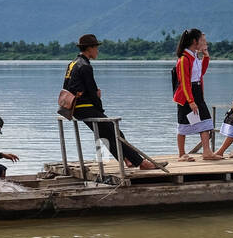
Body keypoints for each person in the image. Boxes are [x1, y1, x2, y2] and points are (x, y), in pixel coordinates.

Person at [62, 34, 163, 171]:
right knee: (116, 132)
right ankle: (142, 163)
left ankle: (127, 159)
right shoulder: (85, 66)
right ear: (89, 49)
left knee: (106, 134)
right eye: (96, 48)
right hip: (86, 107)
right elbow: (92, 93)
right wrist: (100, 109)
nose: (97, 51)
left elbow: (67, 87)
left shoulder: (72, 63)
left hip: (76, 108)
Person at [172, 28, 220, 161]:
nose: (205, 43)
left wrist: (206, 56)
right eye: (202, 40)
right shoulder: (184, 59)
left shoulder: (194, 56)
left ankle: (207, 152)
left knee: (205, 121)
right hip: (186, 96)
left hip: (197, 94)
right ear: (194, 41)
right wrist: (191, 101)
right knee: (183, 124)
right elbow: (185, 82)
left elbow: (200, 74)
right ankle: (182, 154)